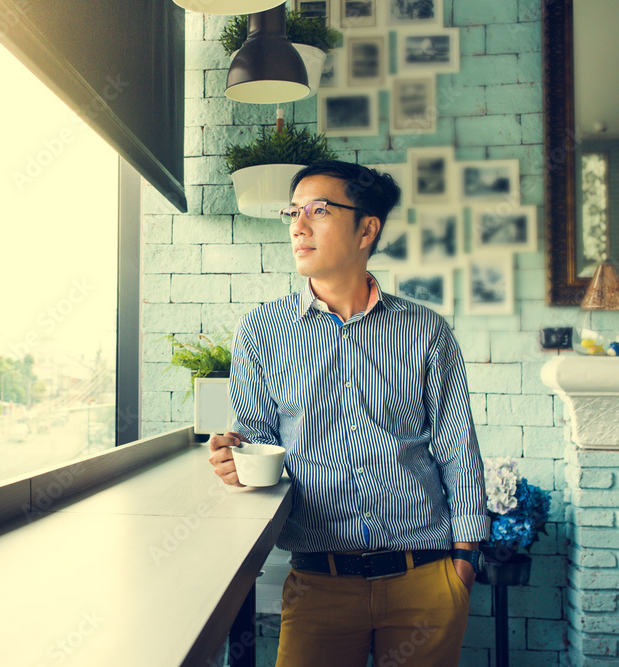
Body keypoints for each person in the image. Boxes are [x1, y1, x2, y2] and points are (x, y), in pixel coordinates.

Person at [208, 160, 488, 666]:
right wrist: (237, 463)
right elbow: (257, 449)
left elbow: (457, 449)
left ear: (367, 227)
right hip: (319, 582)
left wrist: (463, 563)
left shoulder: (426, 331)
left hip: (425, 579)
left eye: (318, 210)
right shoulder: (259, 332)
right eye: (292, 211)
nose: (298, 225)